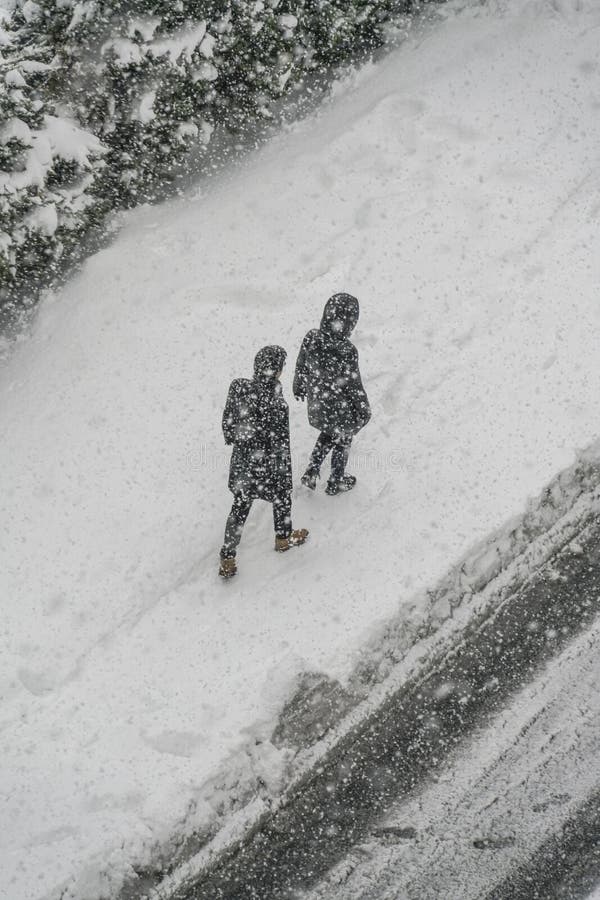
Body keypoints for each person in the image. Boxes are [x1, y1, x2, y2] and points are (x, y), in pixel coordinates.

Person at [219, 345, 308, 579]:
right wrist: (284, 474)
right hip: (269, 465)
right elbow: (280, 443)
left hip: (244, 464)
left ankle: (227, 556)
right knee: (281, 498)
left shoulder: (239, 387)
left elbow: (229, 429)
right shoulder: (277, 404)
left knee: (240, 505)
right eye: (281, 367)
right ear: (276, 370)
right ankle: (283, 538)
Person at [293, 293, 371, 495]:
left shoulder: (311, 337)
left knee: (328, 431)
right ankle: (336, 480)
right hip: (340, 408)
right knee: (343, 438)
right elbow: (353, 385)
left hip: (319, 404)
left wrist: (298, 385)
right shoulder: (347, 350)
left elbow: (301, 364)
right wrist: (364, 408)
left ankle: (311, 470)